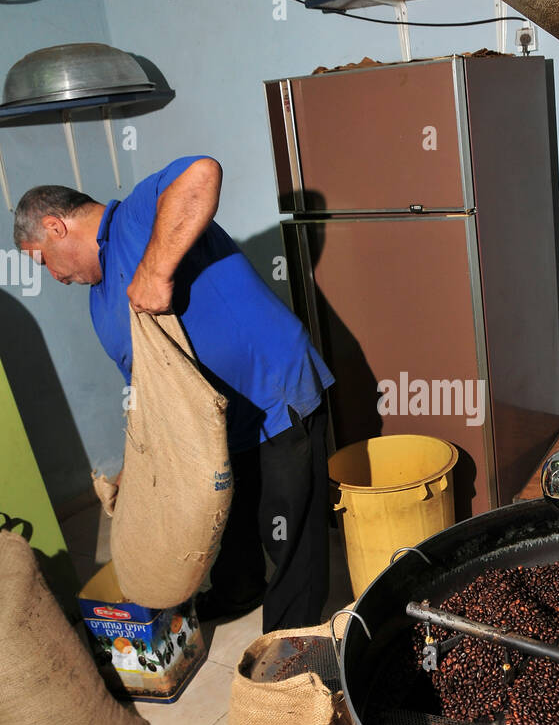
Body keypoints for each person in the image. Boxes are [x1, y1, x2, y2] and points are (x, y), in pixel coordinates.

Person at [14, 155, 334, 632]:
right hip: (218, 421)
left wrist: (157, 270)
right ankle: (238, 590)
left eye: (43, 262)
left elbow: (202, 172)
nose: (54, 278)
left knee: (287, 532)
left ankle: (291, 644)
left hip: (274, 394)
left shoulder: (136, 217)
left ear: (56, 227)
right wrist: (135, 465)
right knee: (232, 517)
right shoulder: (98, 300)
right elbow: (148, 390)